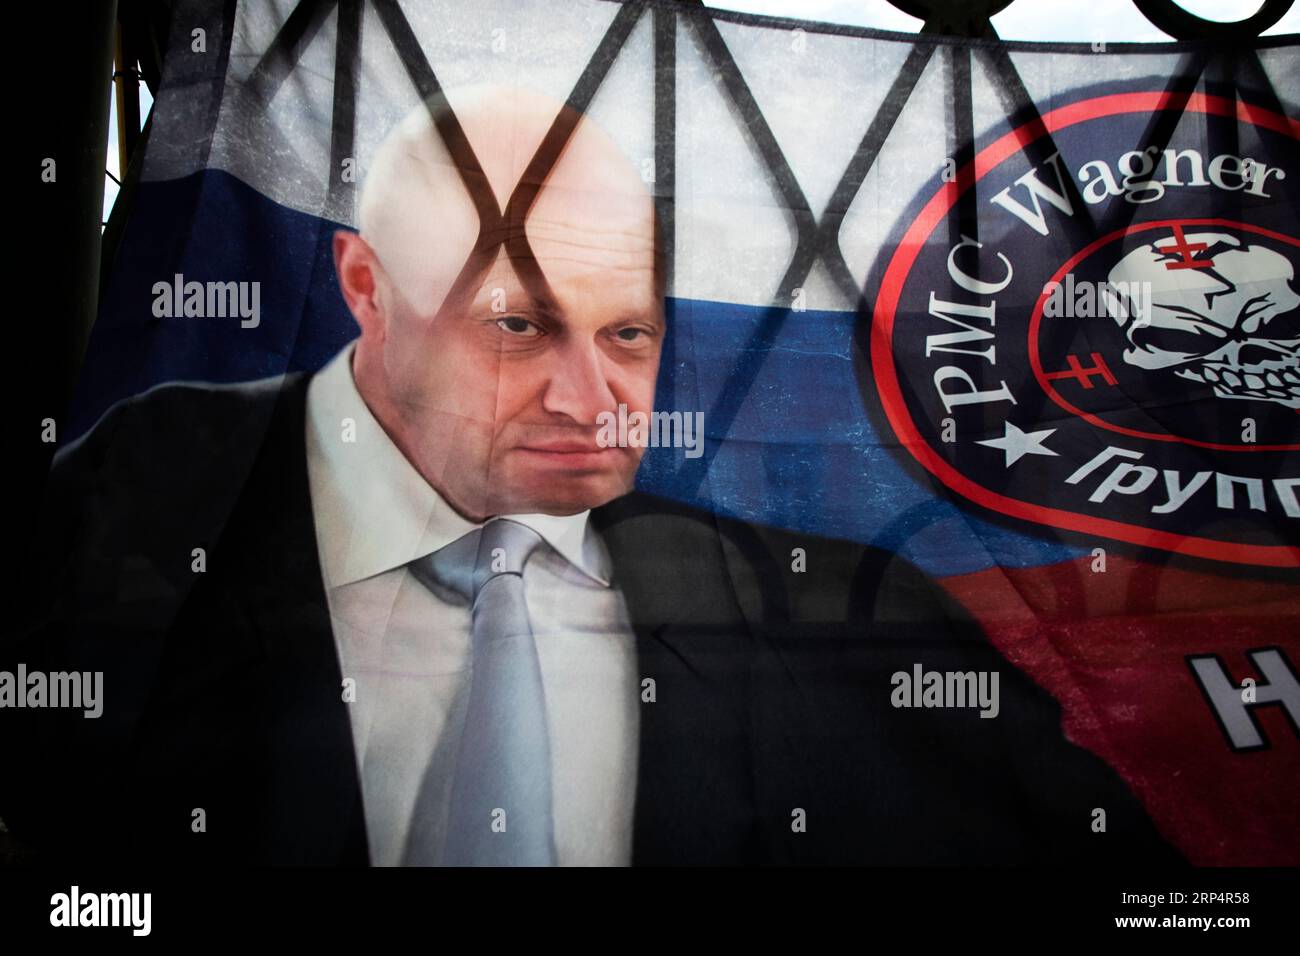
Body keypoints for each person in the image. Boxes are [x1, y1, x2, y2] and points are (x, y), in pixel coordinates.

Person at [1, 85, 1182, 867]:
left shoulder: (849, 623)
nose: (589, 402)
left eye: (627, 334)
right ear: (365, 288)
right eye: (518, 328)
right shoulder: (116, 513)